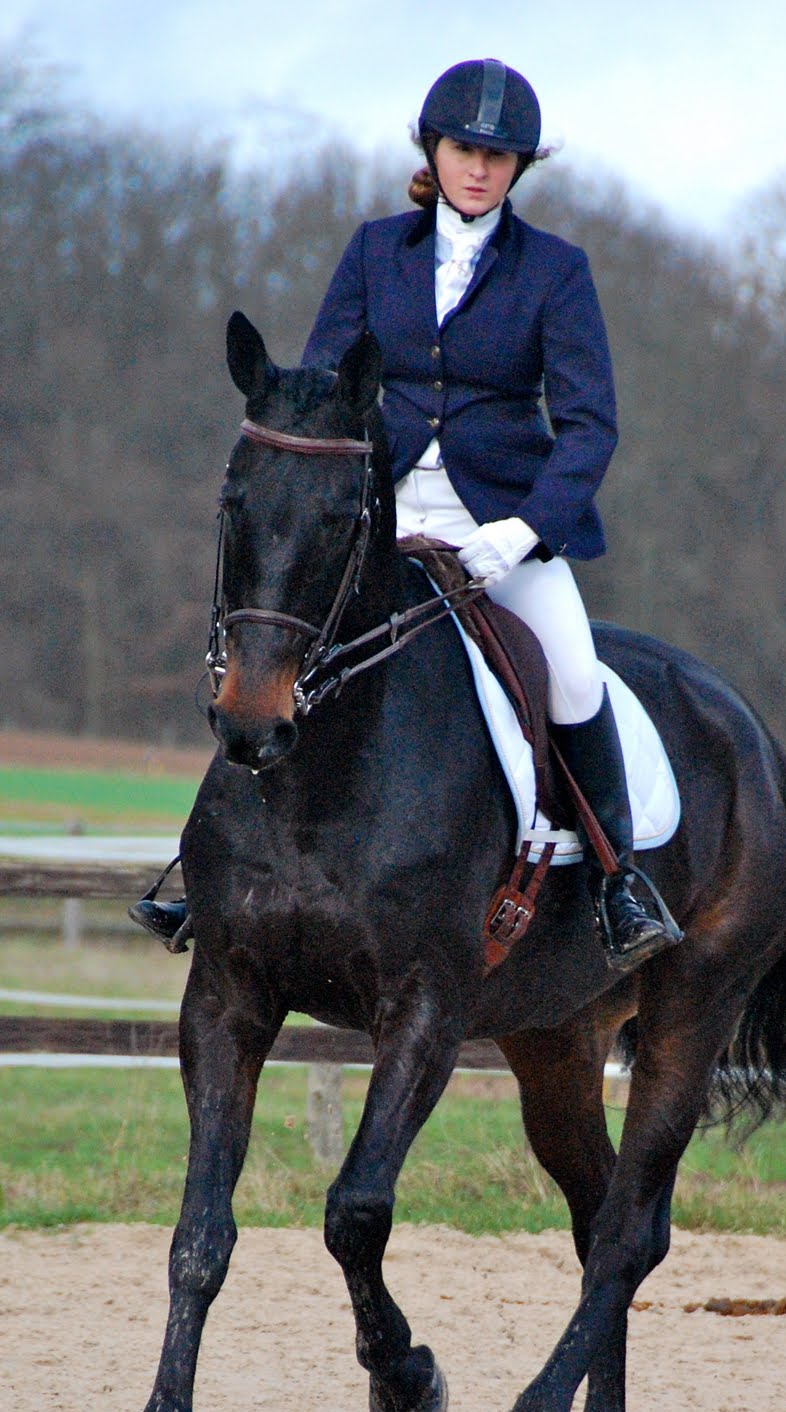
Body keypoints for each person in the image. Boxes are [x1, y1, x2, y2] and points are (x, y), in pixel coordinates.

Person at [133, 58, 680, 970]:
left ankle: (619, 882)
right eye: (464, 150)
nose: (479, 169)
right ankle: (208, 870)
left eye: (499, 157)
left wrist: (524, 531)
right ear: (434, 150)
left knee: (575, 677)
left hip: (501, 523)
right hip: (375, 514)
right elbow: (324, 383)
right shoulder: (375, 250)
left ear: (520, 167)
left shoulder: (556, 271)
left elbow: (591, 427)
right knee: (280, 651)